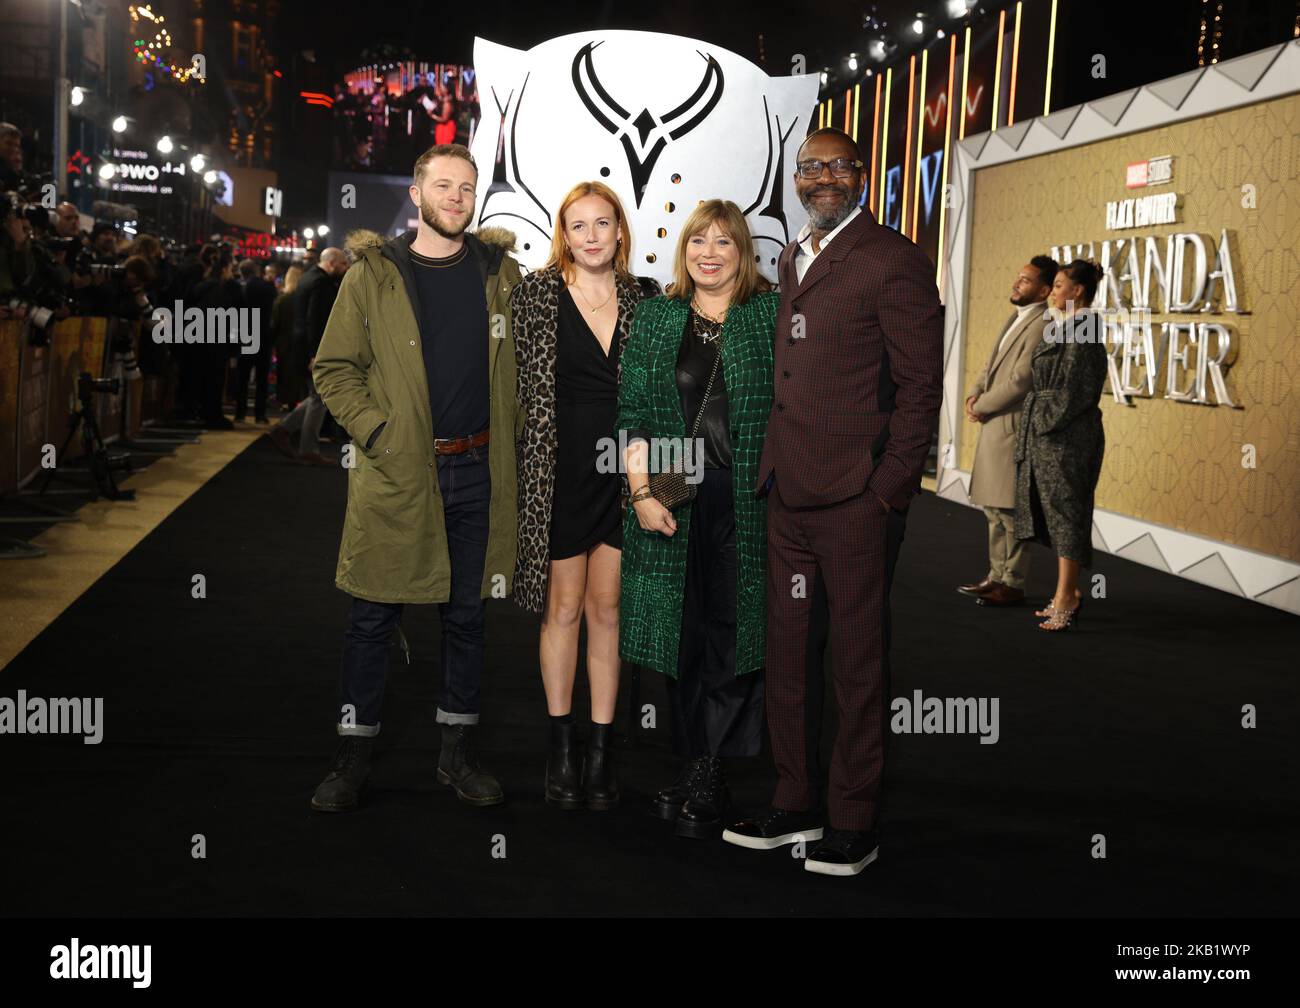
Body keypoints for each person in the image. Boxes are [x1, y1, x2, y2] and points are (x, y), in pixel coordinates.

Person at [722, 127, 943, 876]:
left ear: (861, 174)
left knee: (855, 663)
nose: (822, 178)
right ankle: (794, 802)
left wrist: (887, 490)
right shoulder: (792, 256)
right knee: (787, 657)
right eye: (809, 167)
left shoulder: (893, 259)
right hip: (787, 493)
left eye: (836, 166)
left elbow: (920, 389)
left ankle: (853, 818)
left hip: (856, 499)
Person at [308, 142, 523, 813]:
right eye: (444, 186)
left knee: (467, 619)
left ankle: (457, 754)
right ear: (418, 192)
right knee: (371, 616)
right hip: (400, 472)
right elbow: (333, 368)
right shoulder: (374, 272)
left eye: (467, 188)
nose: (456, 198)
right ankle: (353, 755)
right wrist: (379, 432)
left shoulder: (500, 273)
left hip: (476, 469)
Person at [617, 199, 777, 839]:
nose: (709, 253)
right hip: (672, 495)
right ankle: (690, 760)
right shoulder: (658, 318)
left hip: (746, 499)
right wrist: (641, 493)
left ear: (744, 252)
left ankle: (712, 769)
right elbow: (631, 407)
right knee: (678, 636)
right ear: (683, 252)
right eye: (697, 242)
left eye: (724, 242)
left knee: (734, 633)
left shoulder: (767, 316)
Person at [511, 181, 659, 811]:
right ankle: (560, 746)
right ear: (563, 234)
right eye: (579, 225)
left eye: (603, 224)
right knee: (563, 610)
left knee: (608, 610)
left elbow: (660, 402)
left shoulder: (646, 299)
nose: (592, 236)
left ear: (620, 231)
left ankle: (602, 753)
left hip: (626, 475)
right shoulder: (536, 295)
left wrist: (656, 485)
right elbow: (516, 391)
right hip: (558, 475)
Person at [1013, 259, 1108, 632]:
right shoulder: (1063, 326)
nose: (1051, 292)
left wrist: (1042, 423)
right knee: (1056, 513)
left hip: (1067, 437)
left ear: (1077, 291)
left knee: (1067, 514)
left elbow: (1076, 391)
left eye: (1057, 286)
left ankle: (1067, 596)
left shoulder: (1084, 328)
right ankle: (1063, 592)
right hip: (1050, 434)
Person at [958, 256, 1058, 607]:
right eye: (1018, 277)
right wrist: (974, 393)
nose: (1017, 284)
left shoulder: (1045, 321)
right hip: (995, 424)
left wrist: (982, 405)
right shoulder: (1016, 318)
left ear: (1044, 290)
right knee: (993, 509)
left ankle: (1013, 583)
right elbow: (991, 365)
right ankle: (996, 576)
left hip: (1013, 427)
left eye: (1026, 281)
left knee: (1012, 511)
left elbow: (1021, 380)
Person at [268, 247, 348, 463]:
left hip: (303, 346)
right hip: (314, 348)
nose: (345, 268)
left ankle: (285, 431)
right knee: (321, 396)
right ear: (332, 262)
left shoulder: (307, 279)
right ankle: (307, 448)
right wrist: (315, 354)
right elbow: (315, 320)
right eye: (342, 264)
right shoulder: (320, 283)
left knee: (318, 395)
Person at [189, 246, 244, 430]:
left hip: (198, 340)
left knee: (202, 378)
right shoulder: (221, 291)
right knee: (215, 380)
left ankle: (203, 412)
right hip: (216, 342)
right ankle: (213, 415)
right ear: (223, 270)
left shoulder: (199, 288)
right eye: (229, 269)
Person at [234, 258, 278, 423]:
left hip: (245, 333)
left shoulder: (239, 287)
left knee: (242, 377)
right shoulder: (267, 287)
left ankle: (240, 413)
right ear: (257, 270)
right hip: (263, 334)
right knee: (261, 377)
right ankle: (260, 414)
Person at [271, 264, 303, 408]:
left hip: (283, 341)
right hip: (299, 341)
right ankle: (298, 401)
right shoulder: (302, 299)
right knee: (298, 374)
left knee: (284, 373)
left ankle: (286, 401)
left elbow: (275, 322)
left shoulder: (282, 299)